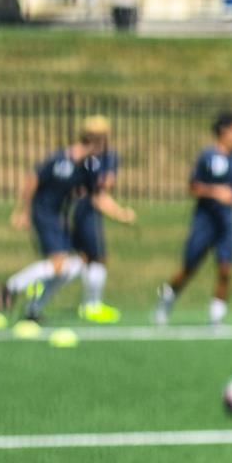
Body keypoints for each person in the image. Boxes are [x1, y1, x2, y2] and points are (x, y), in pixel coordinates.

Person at [0, 127, 135, 323]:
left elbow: (97, 196)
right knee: (60, 264)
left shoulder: (86, 168)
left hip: (58, 218)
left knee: (72, 267)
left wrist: (119, 213)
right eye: (100, 146)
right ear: (92, 144)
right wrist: (23, 211)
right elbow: (32, 179)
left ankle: (32, 310)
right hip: (43, 214)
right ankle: (11, 286)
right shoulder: (59, 159)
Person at [154, 111, 232, 327]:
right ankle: (167, 297)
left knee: (225, 268)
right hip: (204, 220)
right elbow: (193, 187)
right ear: (224, 131)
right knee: (189, 268)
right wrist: (215, 191)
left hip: (226, 222)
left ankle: (216, 317)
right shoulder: (207, 156)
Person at [73, 116, 132, 322]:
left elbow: (106, 186)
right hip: (85, 210)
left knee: (84, 259)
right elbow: (97, 194)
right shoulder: (85, 158)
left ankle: (88, 304)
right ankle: (92, 305)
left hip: (87, 209)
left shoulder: (108, 156)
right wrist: (120, 213)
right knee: (95, 258)